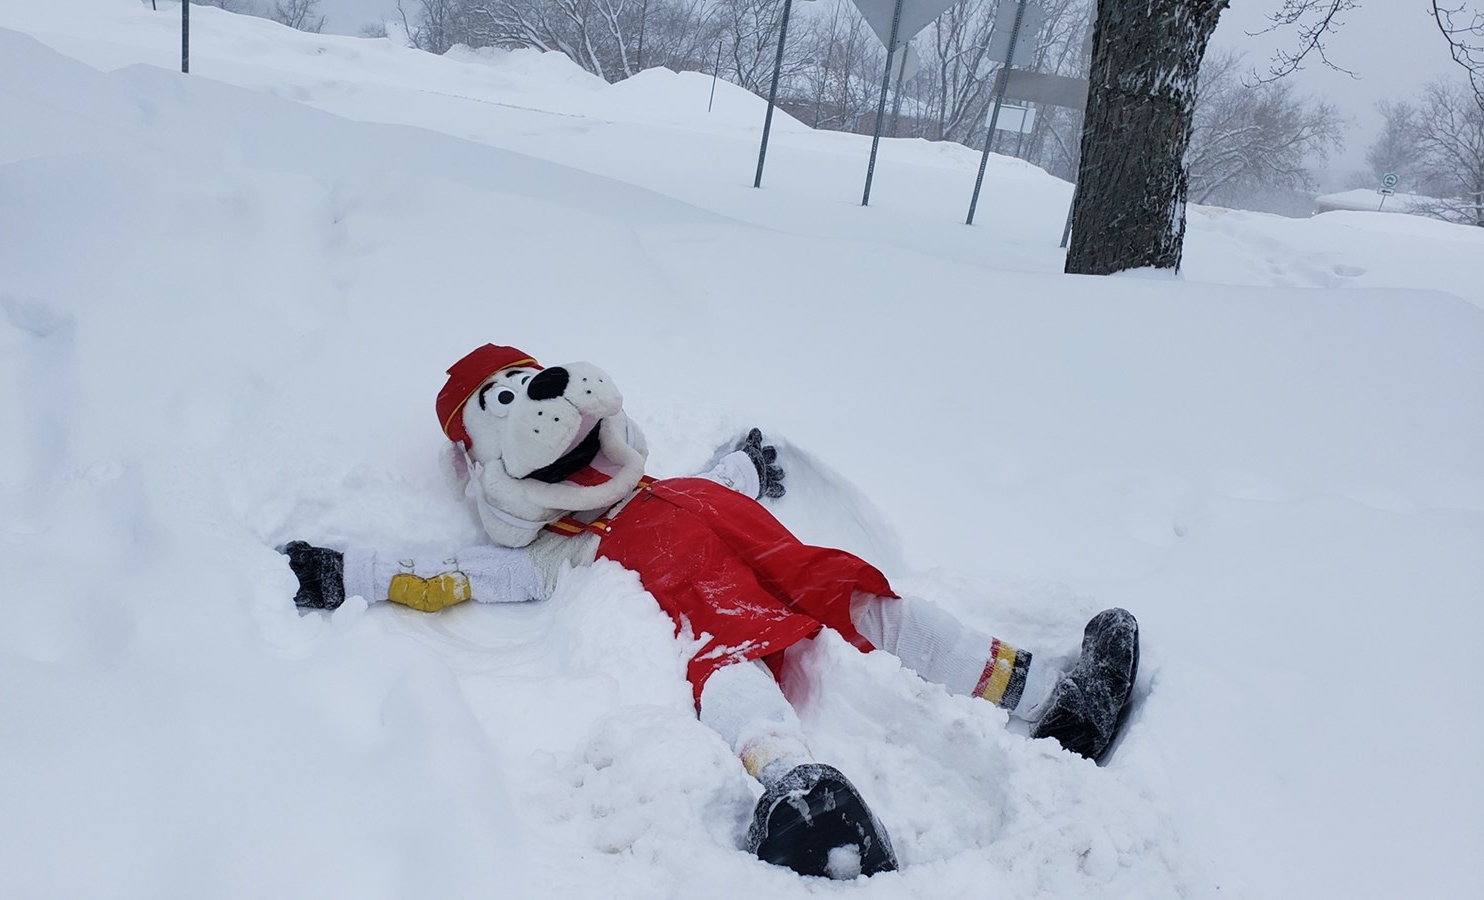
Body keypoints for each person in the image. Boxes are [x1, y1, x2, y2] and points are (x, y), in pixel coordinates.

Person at [283, 343, 1140, 879]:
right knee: (736, 689)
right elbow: (452, 574)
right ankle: (800, 793)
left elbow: (719, 483)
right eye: (502, 404)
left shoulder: (669, 480)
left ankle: (1050, 702)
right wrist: (347, 570)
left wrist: (743, 462)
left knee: (896, 613)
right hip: (713, 627)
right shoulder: (553, 550)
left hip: (799, 574)